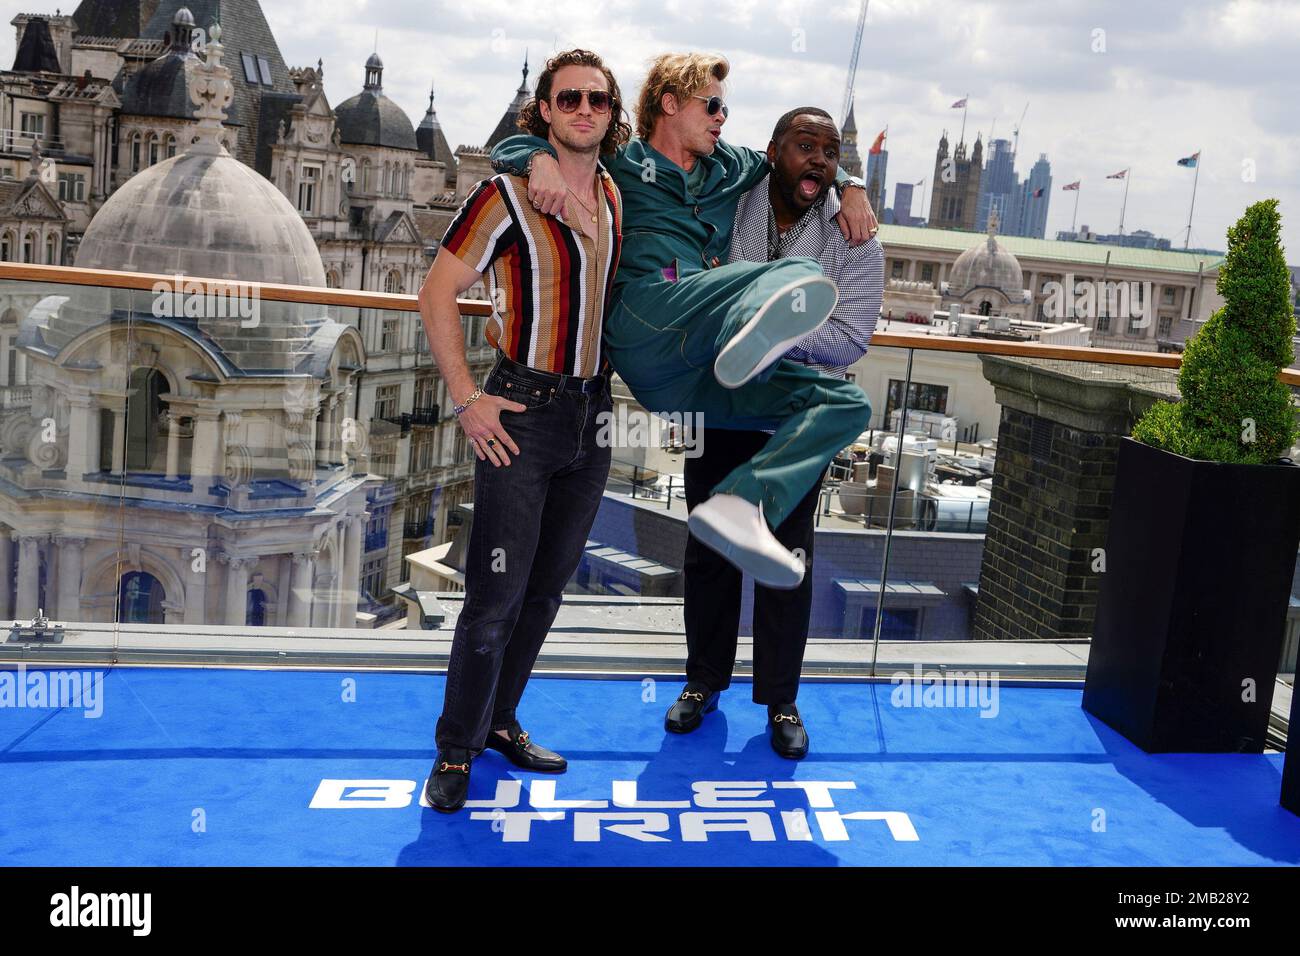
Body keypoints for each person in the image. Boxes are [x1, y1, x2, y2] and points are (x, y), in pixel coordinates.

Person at [491, 52, 875, 591]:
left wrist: (851, 183)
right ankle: (749, 332)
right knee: (797, 272)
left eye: (725, 108)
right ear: (670, 105)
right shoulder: (621, 159)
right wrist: (538, 160)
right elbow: (507, 146)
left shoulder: (732, 167)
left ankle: (742, 505)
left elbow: (806, 162)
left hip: (689, 374)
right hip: (645, 319)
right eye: (712, 106)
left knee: (845, 404)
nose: (722, 118)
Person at [416, 49, 628, 813]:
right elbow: (436, 294)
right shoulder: (504, 194)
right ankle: (455, 750)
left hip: (593, 413)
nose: (584, 110)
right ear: (543, 109)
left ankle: (500, 723)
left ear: (611, 113)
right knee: (493, 595)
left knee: (545, 591)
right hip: (522, 408)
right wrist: (468, 397)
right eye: (568, 98)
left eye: (598, 100)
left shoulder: (613, 189)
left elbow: (706, 153)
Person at [667, 108, 884, 758]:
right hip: (720, 404)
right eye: (805, 146)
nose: (817, 159)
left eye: (831, 152)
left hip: (797, 418)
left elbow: (851, 339)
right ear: (772, 151)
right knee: (708, 550)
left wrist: (775, 335)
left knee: (787, 556)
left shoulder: (857, 236)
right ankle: (702, 683)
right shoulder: (731, 200)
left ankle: (781, 700)